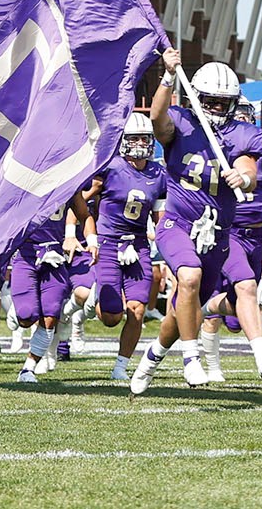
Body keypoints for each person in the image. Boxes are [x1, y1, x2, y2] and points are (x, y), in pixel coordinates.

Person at [131, 55, 262, 395]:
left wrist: (245, 178)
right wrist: (167, 77)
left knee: (178, 318)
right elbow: (158, 118)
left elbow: (248, 167)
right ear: (197, 97)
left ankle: (150, 359)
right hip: (178, 223)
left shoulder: (242, 133)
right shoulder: (182, 122)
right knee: (188, 276)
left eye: (222, 102)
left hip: (217, 234)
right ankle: (191, 359)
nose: (214, 107)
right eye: (209, 100)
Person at [87, 113, 166, 380]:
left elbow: (160, 216)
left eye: (145, 139)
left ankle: (121, 366)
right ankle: (91, 301)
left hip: (139, 244)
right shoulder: (110, 167)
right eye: (134, 139)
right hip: (109, 242)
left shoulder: (158, 173)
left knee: (138, 309)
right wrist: (78, 232)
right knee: (111, 316)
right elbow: (79, 200)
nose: (141, 144)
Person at [10, 189, 94, 383]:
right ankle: (18, 310)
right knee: (26, 316)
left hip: (55, 256)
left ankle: (28, 369)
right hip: (27, 254)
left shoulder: (69, 182)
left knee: (50, 316)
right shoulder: (27, 180)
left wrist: (92, 241)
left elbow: (84, 214)